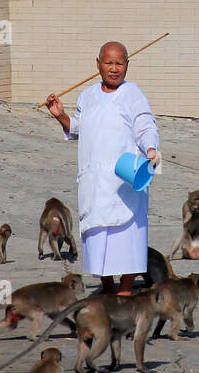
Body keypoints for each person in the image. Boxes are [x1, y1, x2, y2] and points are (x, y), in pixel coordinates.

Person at [45, 41, 159, 296]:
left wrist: (151, 149)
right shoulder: (87, 96)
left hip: (124, 179)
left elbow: (145, 125)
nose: (115, 68)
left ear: (127, 65)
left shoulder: (133, 94)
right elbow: (78, 129)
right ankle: (108, 289)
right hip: (95, 180)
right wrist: (60, 115)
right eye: (109, 63)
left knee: (127, 237)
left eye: (120, 63)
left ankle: (126, 291)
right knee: (100, 239)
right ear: (98, 64)